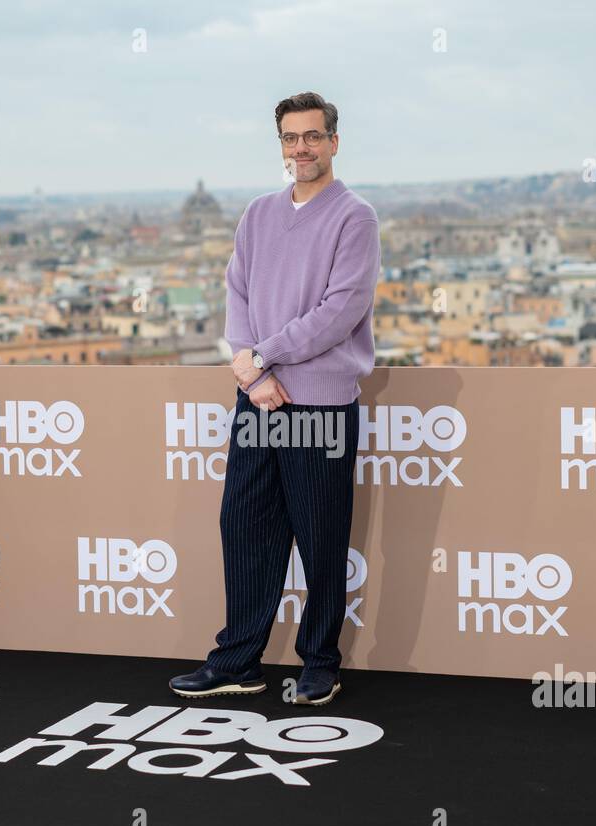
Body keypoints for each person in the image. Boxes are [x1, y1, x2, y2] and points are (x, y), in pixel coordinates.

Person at [169, 91, 380, 706]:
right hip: (260, 401)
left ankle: (320, 661)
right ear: (281, 146)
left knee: (319, 535)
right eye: (291, 138)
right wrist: (252, 373)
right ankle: (238, 659)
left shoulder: (355, 217)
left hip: (318, 404)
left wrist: (265, 355)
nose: (302, 149)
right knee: (245, 525)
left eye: (313, 137)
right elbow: (237, 293)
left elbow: (340, 310)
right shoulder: (258, 213)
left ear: (334, 142)